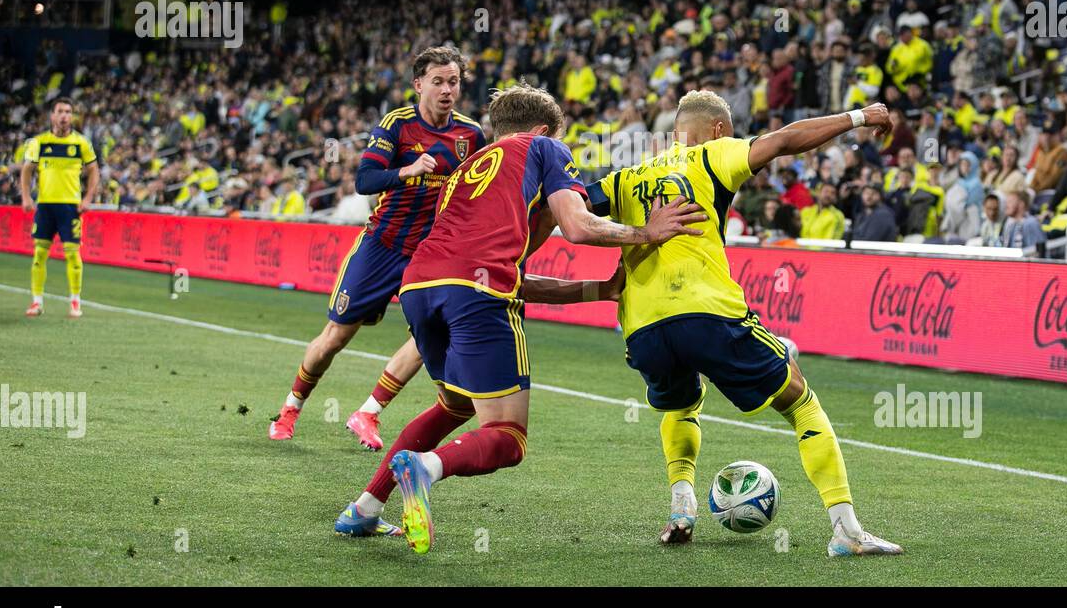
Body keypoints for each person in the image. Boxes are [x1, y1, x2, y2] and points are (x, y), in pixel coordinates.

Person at [336, 84, 706, 548]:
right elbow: (578, 225)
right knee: (508, 438)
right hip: (474, 293)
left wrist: (601, 290)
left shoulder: (469, 170)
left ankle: (364, 509)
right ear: (544, 130)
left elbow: (514, 282)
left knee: (455, 405)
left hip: (418, 288)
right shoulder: (545, 147)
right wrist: (644, 233)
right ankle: (424, 467)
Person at [586, 91, 902, 557]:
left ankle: (681, 506)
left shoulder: (625, 178)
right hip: (706, 312)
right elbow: (784, 140)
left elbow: (564, 209)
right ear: (717, 129)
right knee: (801, 402)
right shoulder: (714, 153)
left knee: (681, 403)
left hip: (641, 328)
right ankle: (847, 531)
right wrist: (858, 117)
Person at [270, 47, 487, 450]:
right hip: (381, 244)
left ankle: (368, 412)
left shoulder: (470, 135)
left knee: (431, 334)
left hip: (427, 253)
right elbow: (365, 181)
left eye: (453, 82)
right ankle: (291, 408)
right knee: (335, 337)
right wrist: (408, 170)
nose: (446, 90)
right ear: (418, 84)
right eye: (438, 81)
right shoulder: (397, 125)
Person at [21, 98, 100, 318]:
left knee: (73, 255)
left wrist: (87, 198)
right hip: (45, 206)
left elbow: (94, 170)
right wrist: (26, 196)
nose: (65, 115)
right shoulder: (39, 142)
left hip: (70, 208)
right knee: (39, 254)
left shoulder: (81, 143)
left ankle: (75, 301)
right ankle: (37, 301)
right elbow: (27, 170)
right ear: (52, 116)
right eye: (60, 111)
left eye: (68, 111)